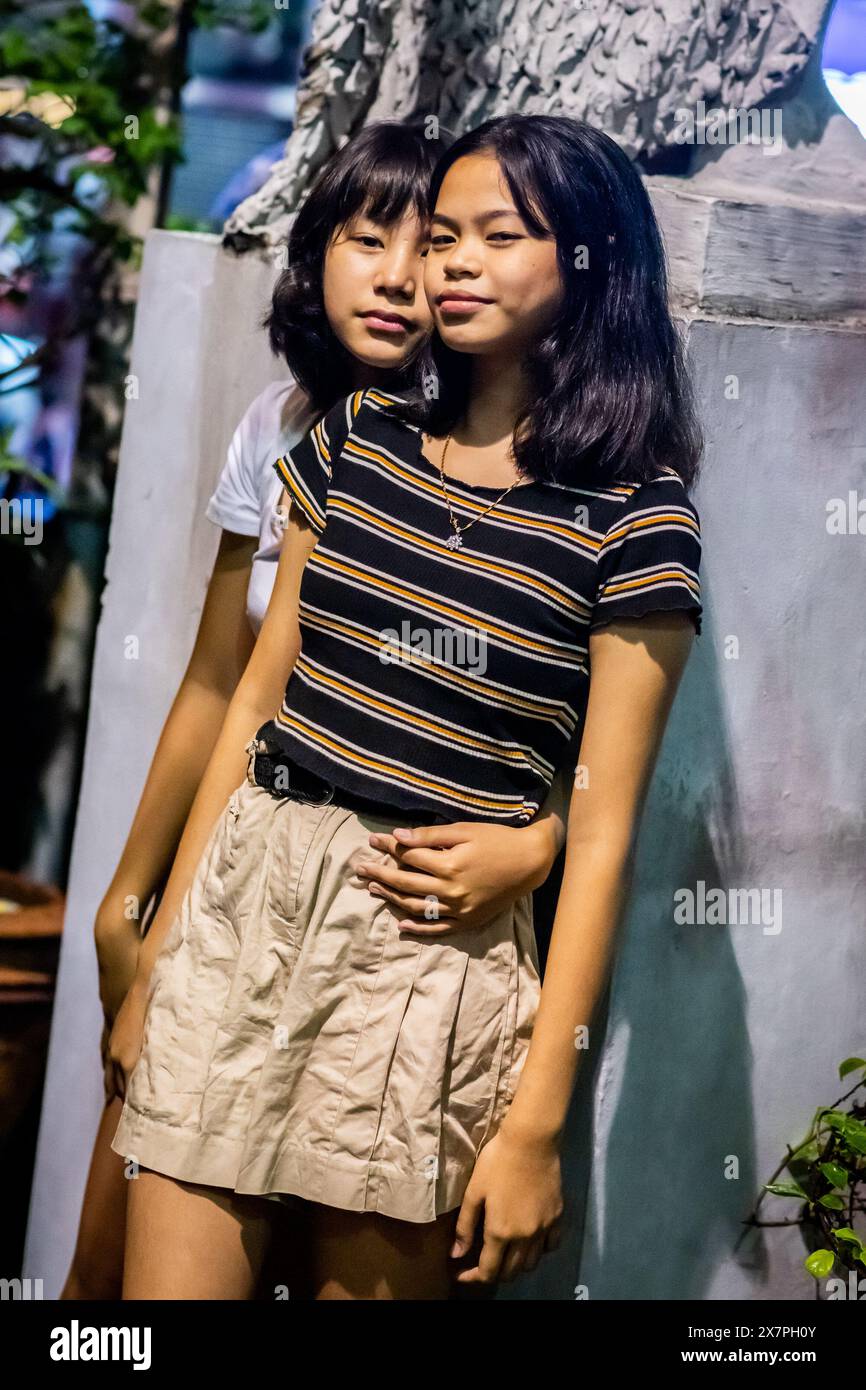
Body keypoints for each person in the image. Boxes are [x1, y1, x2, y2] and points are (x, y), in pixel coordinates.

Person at [109, 112, 704, 1301]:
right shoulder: (354, 440)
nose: (455, 263)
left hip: (426, 962)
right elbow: (251, 706)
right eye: (443, 237)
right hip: (245, 912)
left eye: (500, 235)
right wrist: (161, 951)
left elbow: (598, 835)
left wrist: (536, 1124)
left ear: (593, 263)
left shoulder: (636, 518)